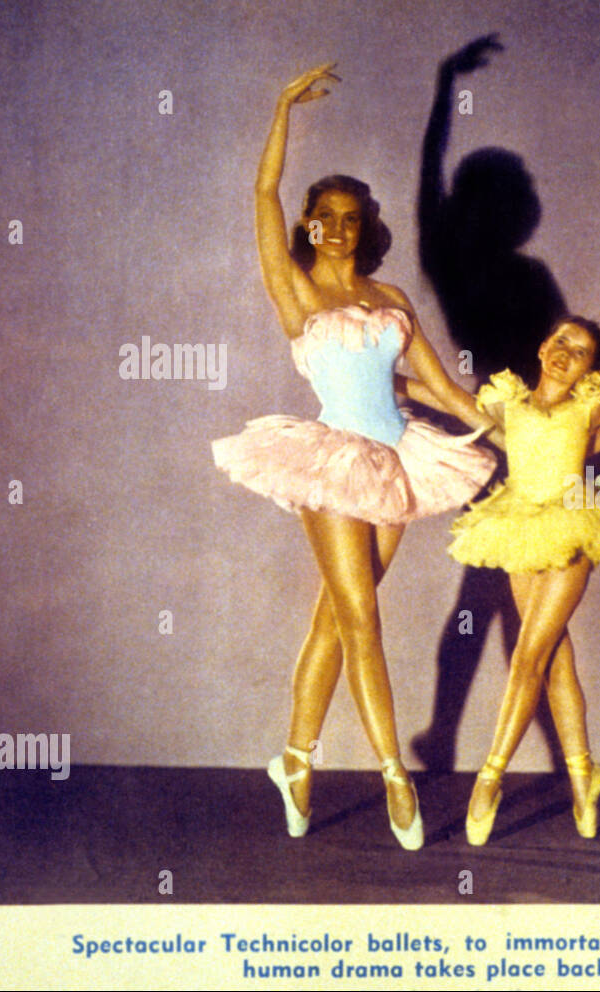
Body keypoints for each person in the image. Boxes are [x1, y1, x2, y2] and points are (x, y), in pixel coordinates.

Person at [211, 64, 494, 850]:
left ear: (365, 226)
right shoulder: (297, 292)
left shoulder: (393, 298)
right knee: (363, 615)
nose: (337, 226)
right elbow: (262, 197)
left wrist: (515, 425)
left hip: (399, 455)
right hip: (332, 459)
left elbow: (442, 389)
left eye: (350, 217)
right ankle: (392, 772)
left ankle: (294, 759)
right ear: (309, 222)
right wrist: (280, 108)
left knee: (337, 617)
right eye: (324, 215)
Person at [405, 317, 600, 844]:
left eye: (580, 351)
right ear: (542, 346)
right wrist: (378, 378)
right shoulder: (509, 405)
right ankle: (585, 776)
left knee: (527, 655)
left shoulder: (591, 409)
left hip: (572, 523)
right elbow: (445, 393)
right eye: (560, 340)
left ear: (590, 369)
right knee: (554, 657)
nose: (565, 353)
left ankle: (489, 777)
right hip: (517, 526)